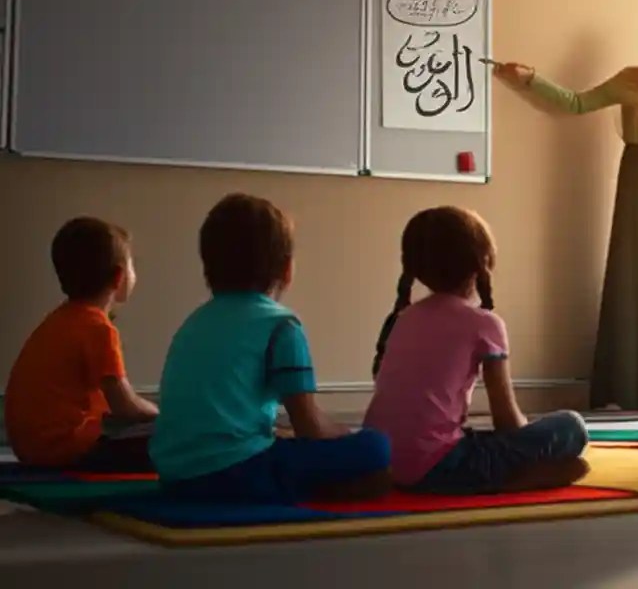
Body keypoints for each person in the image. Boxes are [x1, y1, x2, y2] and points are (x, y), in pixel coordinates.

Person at [493, 18, 638, 411]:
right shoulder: (631, 79)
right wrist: (529, 79)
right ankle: (626, 386)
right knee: (632, 271)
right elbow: (577, 103)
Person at [150, 194, 391, 503]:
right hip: (236, 475)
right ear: (287, 269)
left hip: (175, 478)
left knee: (289, 445)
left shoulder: (194, 322)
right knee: (376, 446)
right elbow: (309, 427)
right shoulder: (281, 325)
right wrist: (346, 434)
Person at [365, 206, 589, 494]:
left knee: (470, 438)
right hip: (438, 467)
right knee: (571, 426)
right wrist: (529, 441)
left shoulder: (402, 318)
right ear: (482, 262)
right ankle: (512, 480)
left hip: (381, 461)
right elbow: (507, 421)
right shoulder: (484, 324)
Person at [5, 218, 157, 471]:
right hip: (70, 447)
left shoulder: (58, 320)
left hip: (30, 448)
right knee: (170, 438)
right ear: (119, 277)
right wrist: (161, 414)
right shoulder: (98, 328)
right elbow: (125, 406)